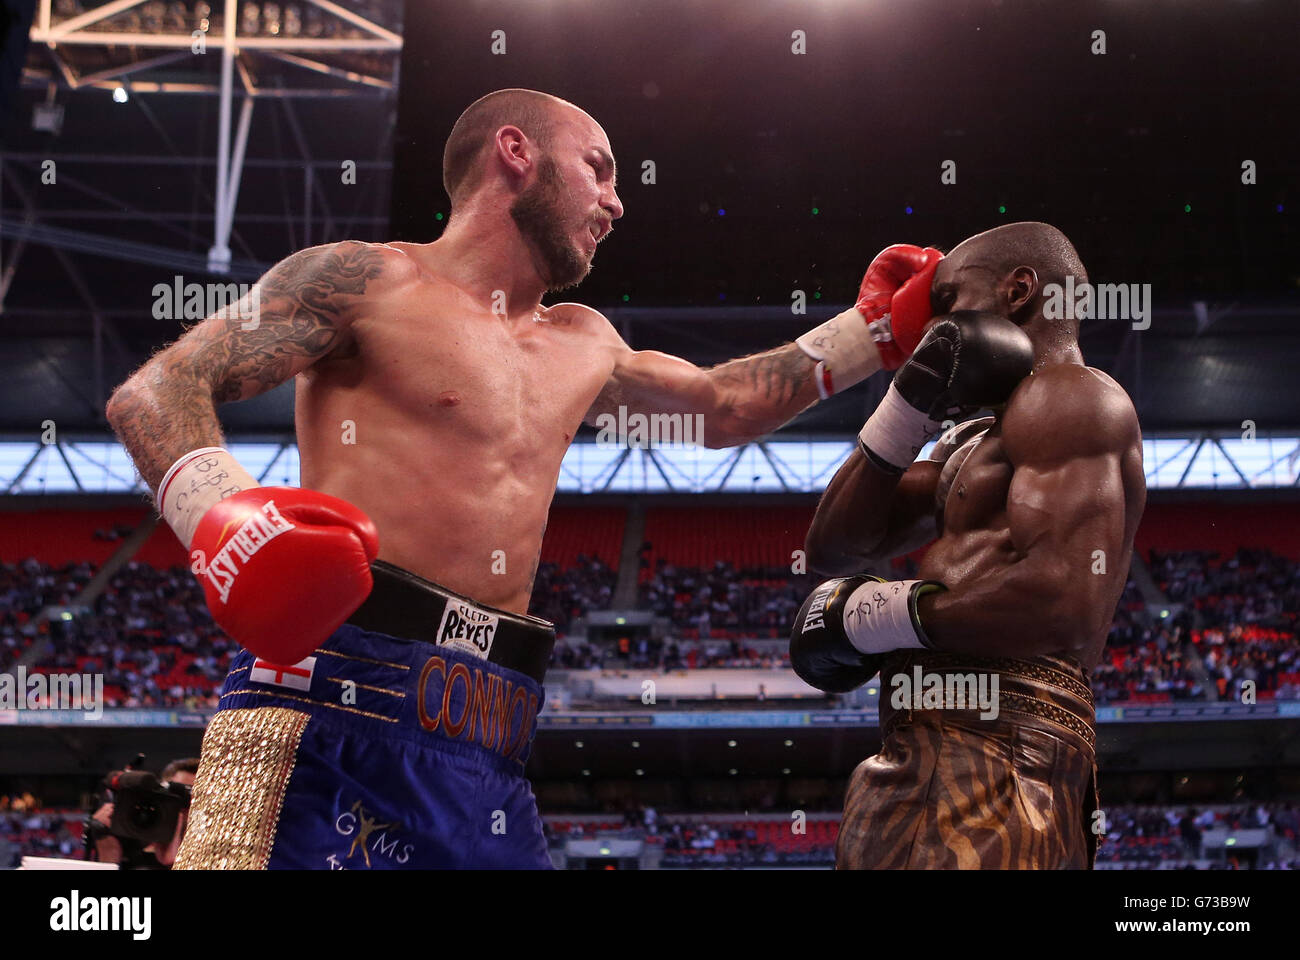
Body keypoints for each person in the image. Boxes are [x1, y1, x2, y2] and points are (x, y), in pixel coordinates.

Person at [106, 87, 942, 869]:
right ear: (516, 152)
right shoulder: (365, 280)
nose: (617, 202)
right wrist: (226, 521)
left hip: (489, 738)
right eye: (599, 167)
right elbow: (157, 388)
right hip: (328, 705)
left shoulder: (584, 341)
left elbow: (722, 407)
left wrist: (867, 333)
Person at [790, 221, 1146, 869]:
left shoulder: (1070, 397)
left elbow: (1066, 599)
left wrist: (884, 615)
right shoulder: (973, 444)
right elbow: (836, 547)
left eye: (950, 302)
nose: (931, 327)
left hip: (998, 745)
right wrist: (906, 403)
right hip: (929, 739)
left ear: (1019, 292)